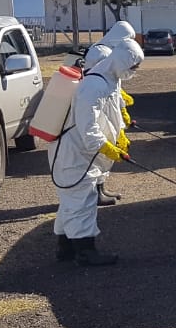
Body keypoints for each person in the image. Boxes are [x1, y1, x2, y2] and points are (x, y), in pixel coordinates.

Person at [49, 39, 145, 266]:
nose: (134, 72)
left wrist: (120, 134)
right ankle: (85, 252)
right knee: (82, 200)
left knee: (71, 201)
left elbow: (110, 114)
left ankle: (65, 249)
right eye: (133, 67)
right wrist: (108, 148)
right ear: (121, 61)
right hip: (73, 155)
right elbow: (88, 129)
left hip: (83, 155)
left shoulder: (109, 79)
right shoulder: (92, 87)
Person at [82, 21, 137, 206]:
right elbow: (101, 79)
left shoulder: (107, 50)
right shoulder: (101, 52)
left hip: (109, 104)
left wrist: (122, 104)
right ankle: (96, 192)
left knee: (109, 148)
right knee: (100, 152)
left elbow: (114, 82)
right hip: (101, 108)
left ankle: (101, 188)